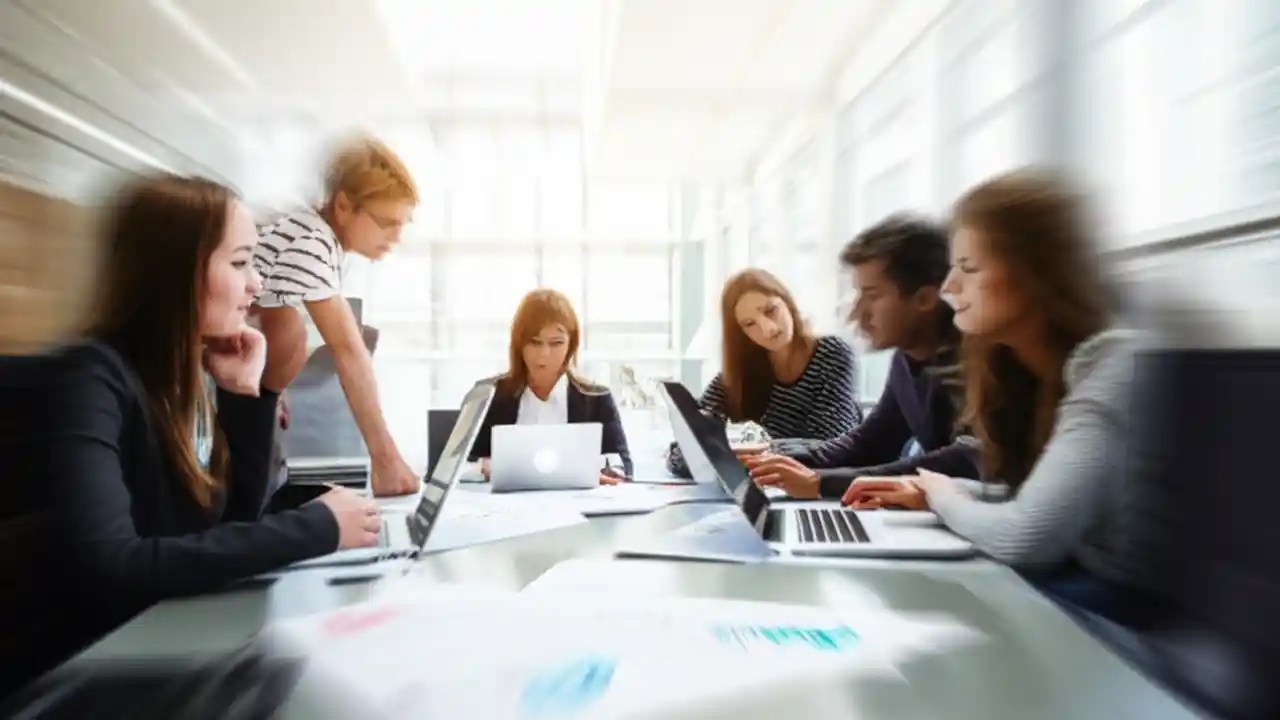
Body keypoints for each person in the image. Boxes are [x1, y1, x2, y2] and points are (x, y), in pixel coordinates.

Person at [0, 175, 379, 697]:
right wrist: (317, 529)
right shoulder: (90, 379)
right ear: (177, 271)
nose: (256, 285)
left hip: (141, 655)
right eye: (240, 263)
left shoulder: (179, 383)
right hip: (72, 683)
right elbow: (115, 566)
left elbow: (233, 523)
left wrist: (248, 396)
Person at [843, 169, 1137, 612]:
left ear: (1038, 274)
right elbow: (1030, 501)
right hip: (1079, 591)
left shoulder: (1114, 368)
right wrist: (935, 491)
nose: (948, 287)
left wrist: (942, 495)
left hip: (1127, 621)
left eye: (969, 268)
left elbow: (1025, 536)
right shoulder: (1025, 374)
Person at [746, 215, 979, 498]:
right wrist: (766, 461)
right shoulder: (906, 360)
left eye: (872, 295)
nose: (857, 312)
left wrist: (822, 483)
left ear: (925, 299)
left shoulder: (976, 363)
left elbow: (967, 460)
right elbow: (872, 443)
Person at [251, 135, 420, 496]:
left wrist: (273, 394)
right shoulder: (312, 241)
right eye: (387, 222)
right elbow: (348, 349)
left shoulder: (306, 233)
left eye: (404, 224)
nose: (397, 237)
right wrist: (387, 461)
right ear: (343, 205)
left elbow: (271, 314)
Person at [468, 289, 632, 483]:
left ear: (571, 345)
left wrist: (607, 473)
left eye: (556, 343)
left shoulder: (596, 398)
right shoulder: (489, 396)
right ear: (519, 344)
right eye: (534, 342)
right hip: (505, 500)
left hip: (576, 500)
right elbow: (463, 464)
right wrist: (482, 466)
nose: (543, 354)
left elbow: (622, 466)